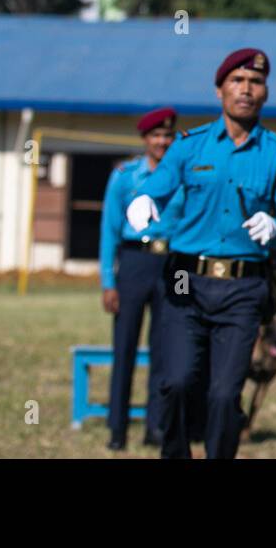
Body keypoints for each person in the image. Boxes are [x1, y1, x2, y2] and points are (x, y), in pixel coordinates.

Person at [126, 48, 276, 459]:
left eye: (255, 82)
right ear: (220, 89)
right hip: (185, 283)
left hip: (243, 290)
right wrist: (144, 199)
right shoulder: (189, 146)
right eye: (237, 81)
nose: (246, 89)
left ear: (265, 93)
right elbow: (162, 182)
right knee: (175, 382)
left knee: (225, 396)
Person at [98, 106, 182, 451]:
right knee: (125, 348)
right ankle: (117, 428)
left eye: (167, 136)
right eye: (156, 136)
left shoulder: (182, 175)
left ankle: (156, 426)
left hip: (170, 263)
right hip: (133, 261)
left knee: (165, 351)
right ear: (145, 139)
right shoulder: (125, 176)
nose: (162, 141)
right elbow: (109, 230)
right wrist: (108, 281)